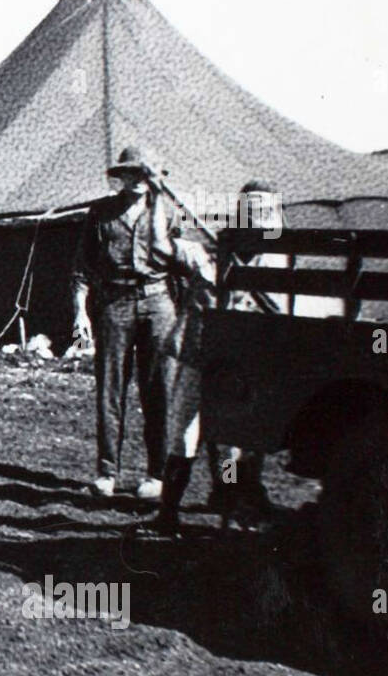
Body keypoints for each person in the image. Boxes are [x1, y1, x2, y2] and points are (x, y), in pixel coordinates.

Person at [148, 180, 282, 535]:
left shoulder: (276, 267)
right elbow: (161, 247)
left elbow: (279, 317)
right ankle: (168, 512)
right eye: (251, 221)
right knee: (184, 433)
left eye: (264, 223)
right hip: (197, 356)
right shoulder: (208, 256)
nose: (257, 231)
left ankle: (227, 496)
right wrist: (156, 196)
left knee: (231, 441)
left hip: (237, 365)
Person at [71, 146, 179, 499]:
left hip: (157, 302)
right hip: (114, 303)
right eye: (130, 173)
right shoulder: (101, 213)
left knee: (159, 388)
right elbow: (81, 269)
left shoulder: (167, 212)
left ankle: (157, 474)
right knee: (110, 389)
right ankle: (107, 473)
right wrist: (80, 312)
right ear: (121, 176)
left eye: (143, 173)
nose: (137, 180)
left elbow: (183, 263)